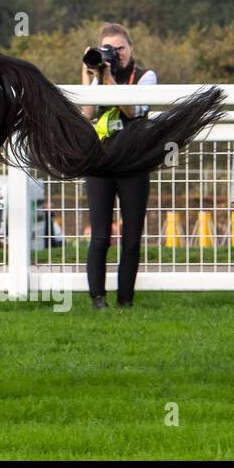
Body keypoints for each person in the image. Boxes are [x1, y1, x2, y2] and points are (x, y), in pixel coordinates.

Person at [78, 22, 158, 310]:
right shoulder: (98, 78)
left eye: (120, 48)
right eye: (109, 49)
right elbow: (86, 113)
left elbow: (134, 110)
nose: (116, 54)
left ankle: (126, 300)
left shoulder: (146, 77)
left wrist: (109, 77)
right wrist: (88, 74)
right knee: (100, 235)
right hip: (100, 162)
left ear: (131, 48)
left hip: (134, 162)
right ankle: (97, 300)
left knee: (132, 237)